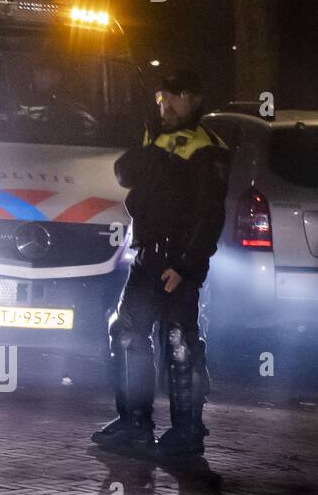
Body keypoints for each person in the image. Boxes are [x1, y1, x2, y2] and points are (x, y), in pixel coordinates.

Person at [92, 69, 229, 457]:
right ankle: (135, 422)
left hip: (177, 263)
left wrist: (186, 266)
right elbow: (125, 174)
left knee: (179, 342)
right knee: (127, 332)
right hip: (147, 257)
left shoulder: (207, 147)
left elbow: (209, 215)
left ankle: (187, 430)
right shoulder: (158, 138)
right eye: (161, 97)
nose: (166, 104)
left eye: (175, 96)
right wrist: (154, 142)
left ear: (194, 99)